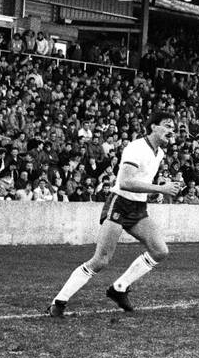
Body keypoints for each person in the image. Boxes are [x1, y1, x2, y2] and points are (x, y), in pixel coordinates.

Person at [45, 112, 182, 317]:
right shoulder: (136, 148)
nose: (171, 130)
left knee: (160, 251)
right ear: (153, 127)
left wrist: (153, 194)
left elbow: (140, 182)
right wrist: (160, 189)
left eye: (173, 127)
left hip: (138, 208)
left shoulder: (159, 153)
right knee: (101, 260)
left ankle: (119, 288)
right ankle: (58, 302)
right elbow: (125, 182)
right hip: (119, 204)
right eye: (167, 125)